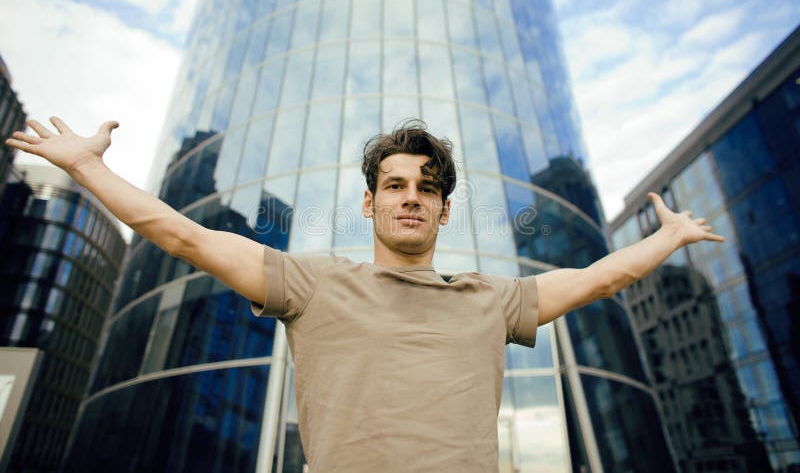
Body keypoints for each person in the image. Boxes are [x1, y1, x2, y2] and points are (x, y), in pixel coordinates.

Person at [6, 117, 724, 471]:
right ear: (369, 203)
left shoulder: (493, 299)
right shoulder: (312, 283)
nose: (411, 197)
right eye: (395, 185)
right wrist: (88, 169)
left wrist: (667, 238)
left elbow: (603, 277)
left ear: (444, 210)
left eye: (427, 189)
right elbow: (183, 236)